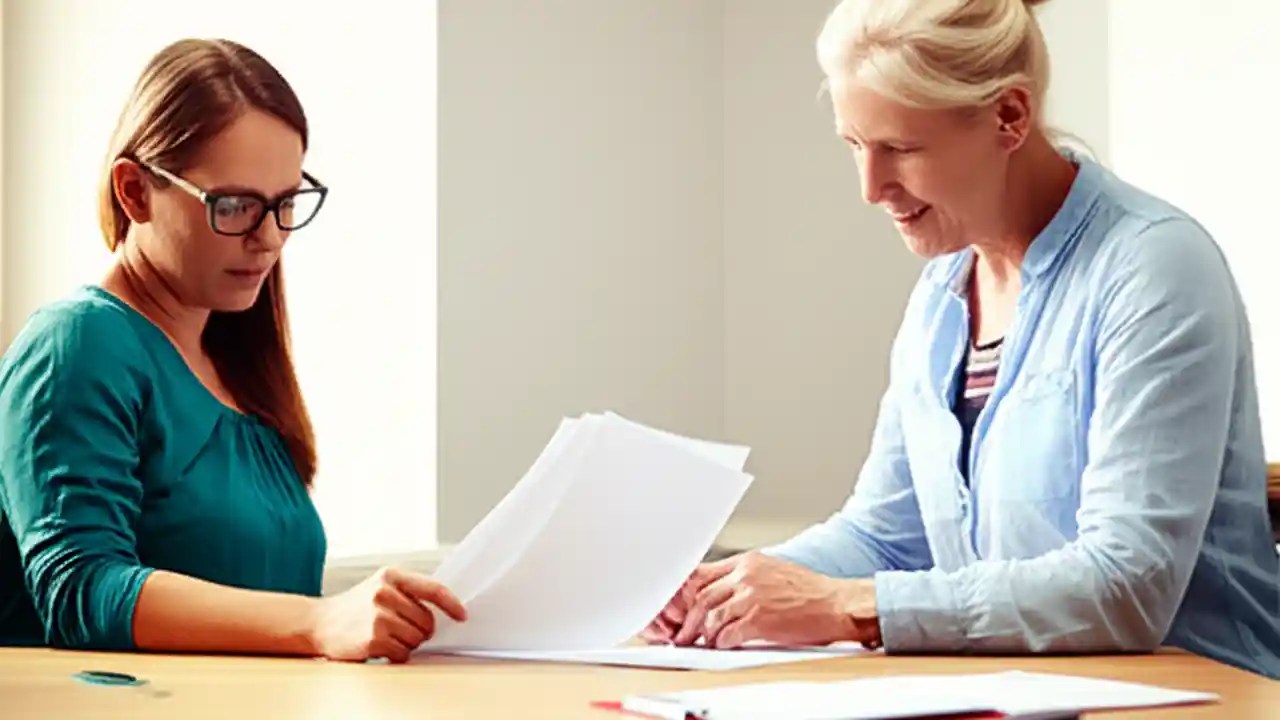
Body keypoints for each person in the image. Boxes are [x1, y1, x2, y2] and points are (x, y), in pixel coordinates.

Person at [645, 0, 1280, 679]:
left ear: (1010, 116)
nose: (870, 187)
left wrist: (849, 606)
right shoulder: (943, 294)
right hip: (1025, 691)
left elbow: (1125, 585)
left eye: (902, 148)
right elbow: (886, 536)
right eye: (855, 145)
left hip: (1203, 693)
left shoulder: (1154, 268)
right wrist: (725, 591)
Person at [0, 38, 464, 663]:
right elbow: (81, 587)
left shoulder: (237, 366)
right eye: (236, 205)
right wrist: (318, 621)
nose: (269, 238)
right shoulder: (78, 344)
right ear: (135, 192)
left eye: (285, 203)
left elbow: (270, 599)